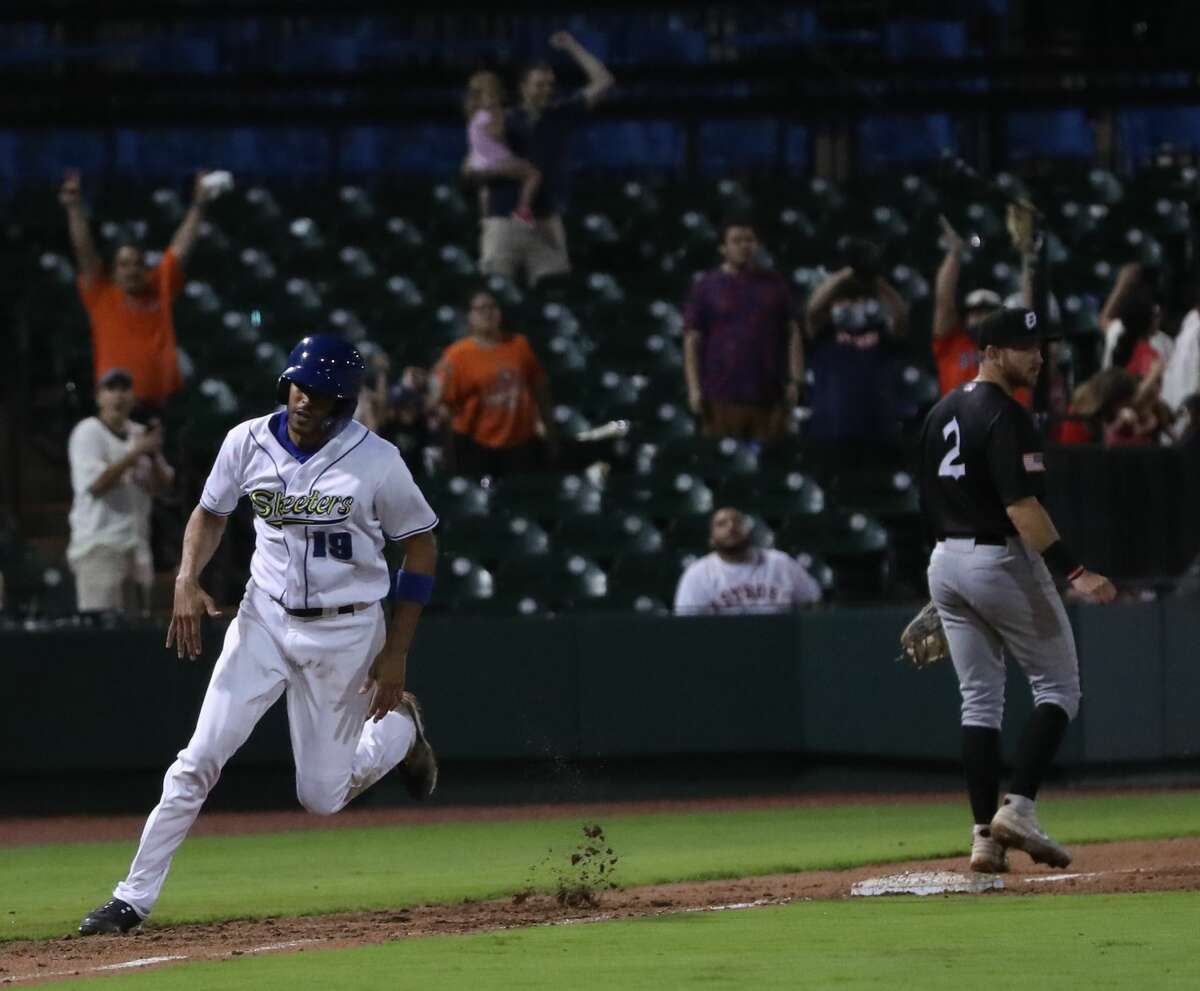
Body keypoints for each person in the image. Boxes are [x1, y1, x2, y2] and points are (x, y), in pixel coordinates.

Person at [78, 335, 440, 936]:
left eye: (319, 392)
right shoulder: (245, 441)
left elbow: (422, 545)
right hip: (263, 620)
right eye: (298, 384)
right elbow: (211, 512)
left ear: (342, 403)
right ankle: (130, 899)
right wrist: (186, 577)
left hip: (347, 632)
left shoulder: (377, 461)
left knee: (321, 797)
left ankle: (401, 730)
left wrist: (396, 651)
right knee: (197, 760)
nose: (303, 399)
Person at [918, 307, 1116, 876]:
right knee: (1059, 688)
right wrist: (1077, 572)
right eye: (1026, 346)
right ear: (992, 352)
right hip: (999, 559)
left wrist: (938, 581)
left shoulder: (941, 411)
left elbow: (924, 505)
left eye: (1040, 345)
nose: (1038, 355)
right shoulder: (1005, 415)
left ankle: (984, 838)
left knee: (979, 700)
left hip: (946, 560)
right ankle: (1020, 809)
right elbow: (1023, 509)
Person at [60, 170, 213, 411]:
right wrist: (74, 207)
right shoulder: (101, 293)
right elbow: (84, 252)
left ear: (147, 268)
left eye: (138, 264)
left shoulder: (159, 286)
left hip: (163, 403)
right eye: (124, 264)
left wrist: (200, 205)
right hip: (117, 406)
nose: (131, 270)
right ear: (113, 271)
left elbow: (182, 246)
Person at [474, 30, 614, 286]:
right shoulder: (501, 119)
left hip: (546, 220)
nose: (547, 90)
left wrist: (573, 46)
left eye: (550, 85)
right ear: (523, 87)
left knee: (554, 292)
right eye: (540, 85)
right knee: (497, 293)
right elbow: (480, 166)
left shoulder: (561, 113)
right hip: (503, 219)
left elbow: (603, 81)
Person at [682, 222, 804, 442]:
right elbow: (692, 339)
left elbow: (792, 332)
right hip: (720, 393)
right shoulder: (706, 286)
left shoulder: (775, 283)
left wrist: (796, 380)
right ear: (723, 248)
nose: (744, 246)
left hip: (769, 393)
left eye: (749, 240)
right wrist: (694, 388)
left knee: (770, 466)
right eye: (737, 241)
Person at [67, 368, 175, 615]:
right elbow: (95, 486)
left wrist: (154, 454)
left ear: (133, 397)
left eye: (125, 389)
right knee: (102, 638)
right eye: (111, 389)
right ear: (98, 397)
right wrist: (136, 453)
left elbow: (164, 485)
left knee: (136, 636)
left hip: (138, 547)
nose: (119, 395)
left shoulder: (139, 433)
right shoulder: (87, 432)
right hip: (99, 547)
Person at [429, 289, 557, 477]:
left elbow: (540, 389)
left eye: (492, 307)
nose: (488, 313)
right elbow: (445, 408)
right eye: (480, 309)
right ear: (469, 317)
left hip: (522, 443)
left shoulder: (520, 345)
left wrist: (551, 433)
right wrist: (450, 455)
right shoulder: (456, 356)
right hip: (479, 446)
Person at [804, 241, 909, 442]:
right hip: (831, 428)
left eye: (861, 299)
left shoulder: (883, 333)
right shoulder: (824, 332)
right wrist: (846, 273)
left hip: (878, 427)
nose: (855, 305)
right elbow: (813, 309)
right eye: (847, 299)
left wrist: (874, 277)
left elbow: (901, 316)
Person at [674, 507, 821, 615]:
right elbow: (687, 628)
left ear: (748, 531)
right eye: (721, 524)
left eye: (737, 521)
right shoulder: (697, 575)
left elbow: (813, 604)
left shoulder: (780, 563)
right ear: (711, 539)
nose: (731, 527)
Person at [463, 70, 542, 227]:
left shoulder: (474, 116)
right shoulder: (492, 113)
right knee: (533, 174)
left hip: (478, 163)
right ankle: (523, 210)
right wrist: (502, 123)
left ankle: (485, 217)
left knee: (485, 188)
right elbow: (497, 133)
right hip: (496, 162)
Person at [1099, 263, 1172, 374]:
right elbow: (1105, 319)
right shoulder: (1119, 331)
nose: (1157, 317)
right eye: (1153, 314)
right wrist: (1123, 284)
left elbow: (1105, 318)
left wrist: (1123, 283)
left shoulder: (1165, 342)